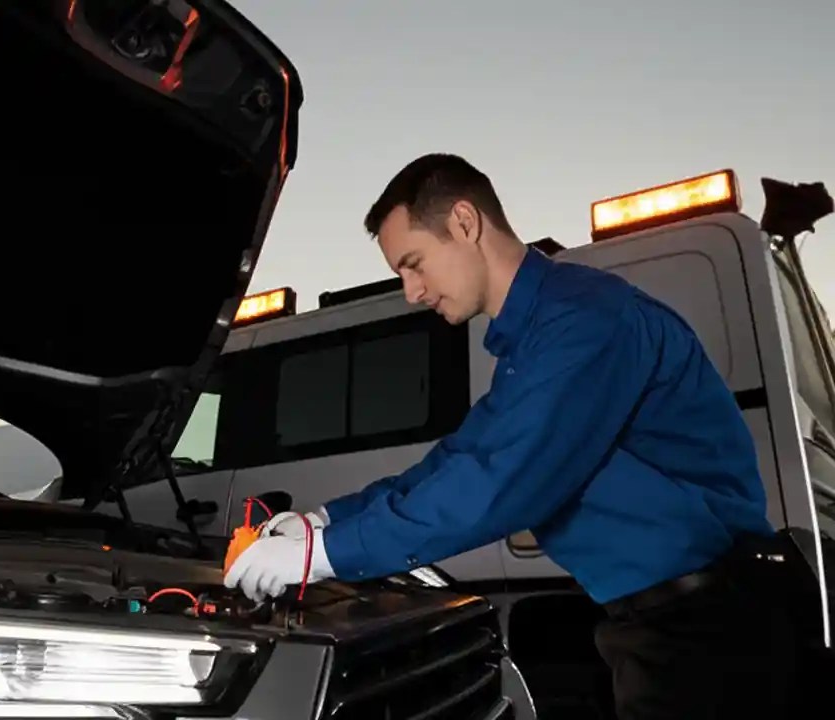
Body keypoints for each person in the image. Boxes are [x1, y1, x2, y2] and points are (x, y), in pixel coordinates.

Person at [223, 153, 803, 719]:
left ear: (465, 223)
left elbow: (500, 480)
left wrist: (324, 556)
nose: (411, 291)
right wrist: (325, 520)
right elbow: (460, 458)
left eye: (414, 262)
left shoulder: (585, 322)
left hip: (709, 628)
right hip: (660, 621)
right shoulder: (537, 344)